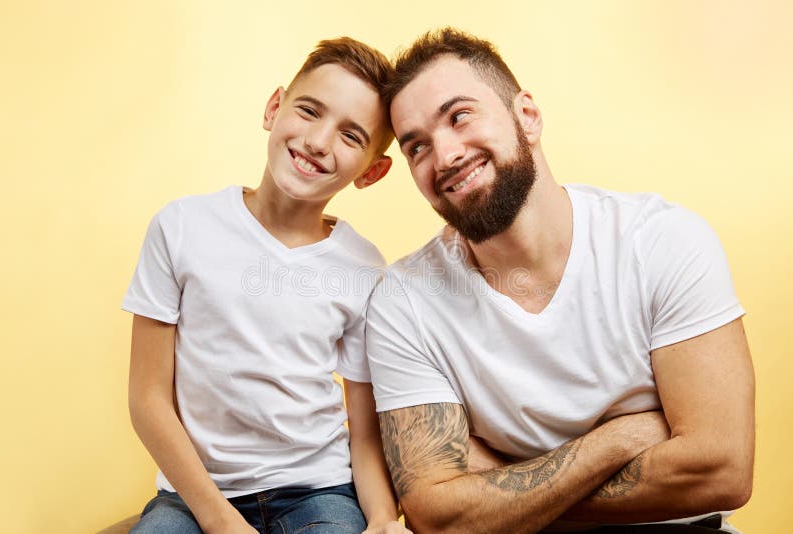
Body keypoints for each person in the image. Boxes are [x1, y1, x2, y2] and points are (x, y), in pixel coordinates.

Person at [366, 28, 754, 533]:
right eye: (417, 147)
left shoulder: (660, 240)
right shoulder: (403, 301)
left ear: (526, 116)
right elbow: (440, 520)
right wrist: (616, 441)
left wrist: (502, 488)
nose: (445, 156)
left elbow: (722, 471)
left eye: (459, 116)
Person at [122, 37, 409, 534]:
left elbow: (363, 434)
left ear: (373, 171)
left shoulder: (363, 266)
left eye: (351, 136)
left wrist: (382, 517)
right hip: (194, 499)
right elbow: (148, 399)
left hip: (318, 494)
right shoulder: (181, 226)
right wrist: (220, 521)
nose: (319, 141)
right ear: (275, 108)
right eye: (309, 110)